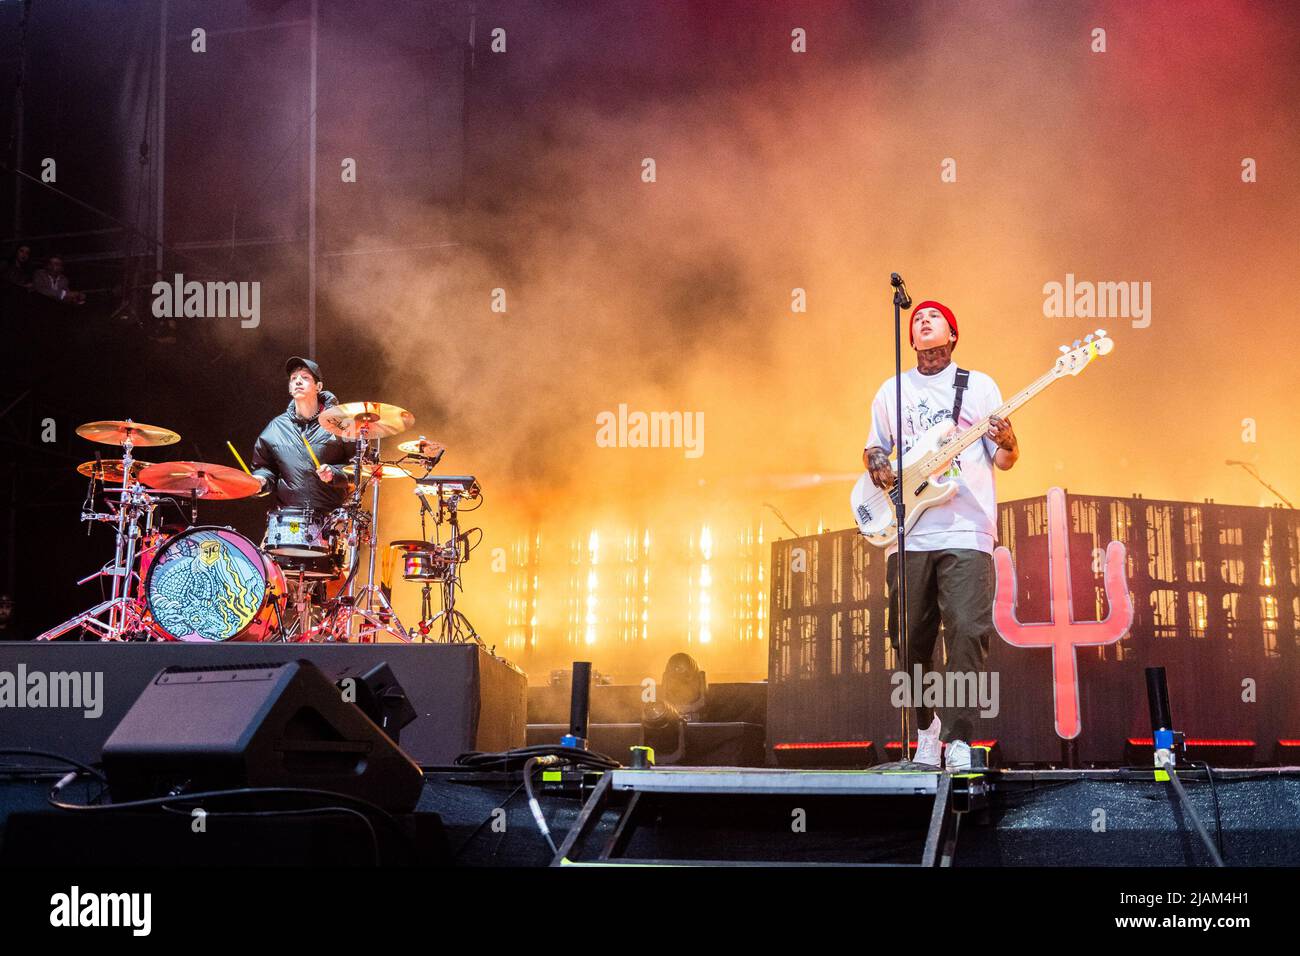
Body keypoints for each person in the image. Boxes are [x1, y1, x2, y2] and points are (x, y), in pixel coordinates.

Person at [863, 299, 1019, 771]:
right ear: (910, 339)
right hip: (908, 531)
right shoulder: (891, 390)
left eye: (934, 317)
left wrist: (1010, 440)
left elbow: (1005, 459)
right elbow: (876, 449)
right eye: (917, 319)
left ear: (952, 334)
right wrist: (875, 463)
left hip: (966, 527)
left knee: (968, 632)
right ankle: (926, 728)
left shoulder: (981, 386)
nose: (923, 320)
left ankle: (958, 739)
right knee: (907, 640)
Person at [251, 357, 352, 511]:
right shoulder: (276, 428)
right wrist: (261, 480)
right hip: (287, 519)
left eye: (305, 377)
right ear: (290, 388)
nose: (298, 381)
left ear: (318, 386)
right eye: (293, 379)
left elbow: (359, 467)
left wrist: (335, 474)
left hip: (331, 518)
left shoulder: (340, 422)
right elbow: (265, 467)